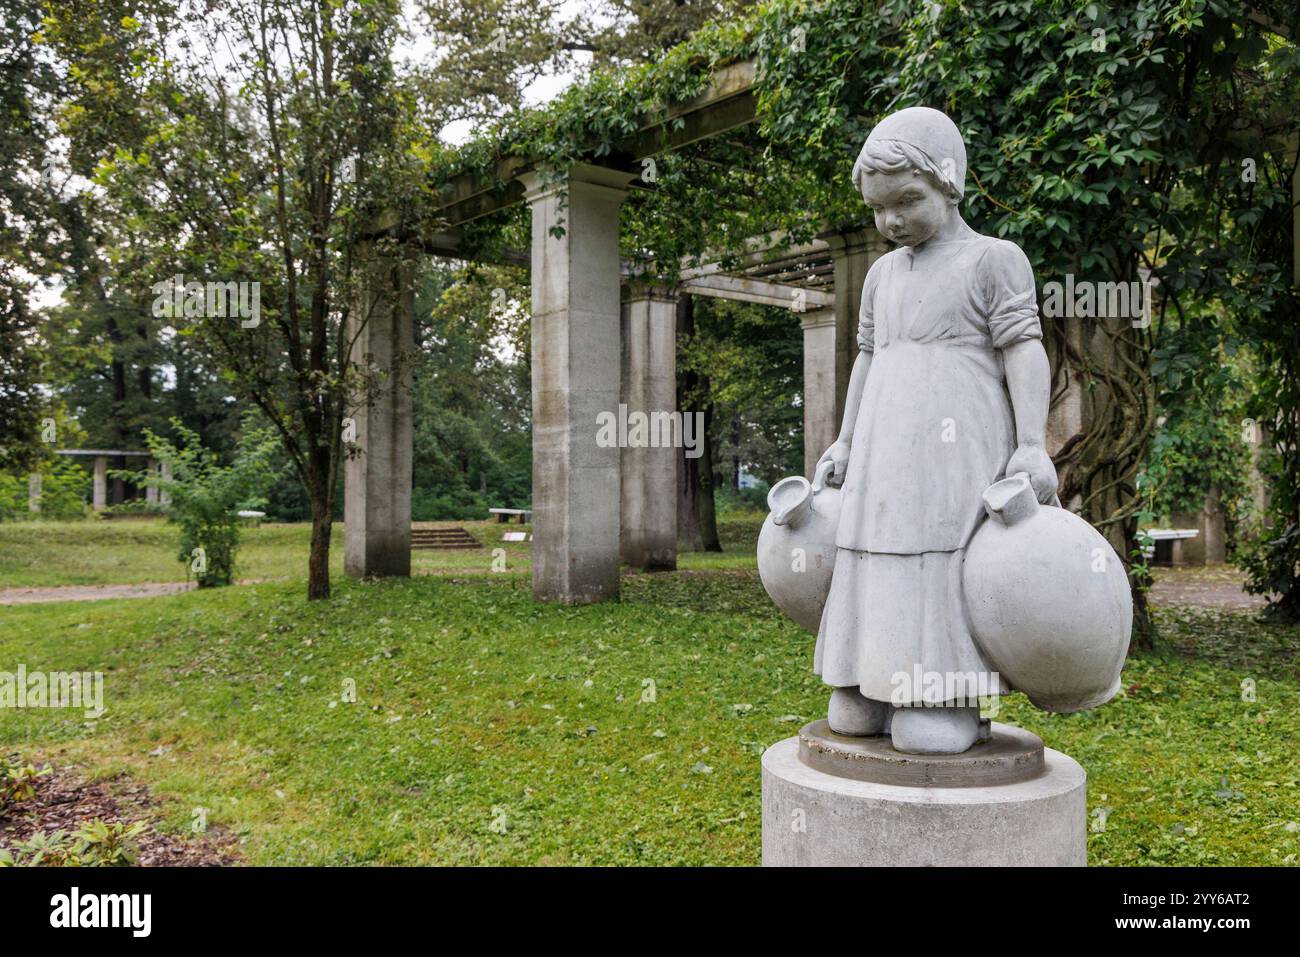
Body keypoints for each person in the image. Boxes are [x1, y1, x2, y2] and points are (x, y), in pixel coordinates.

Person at [815, 106, 1058, 754]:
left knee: (941, 556)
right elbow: (867, 357)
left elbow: (1023, 349)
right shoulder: (881, 274)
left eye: (906, 201)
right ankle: (867, 676)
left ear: (949, 182)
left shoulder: (994, 260)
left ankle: (942, 688)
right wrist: (845, 439)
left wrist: (1033, 443)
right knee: (876, 550)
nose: (891, 220)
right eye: (879, 208)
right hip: (882, 444)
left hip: (960, 444)